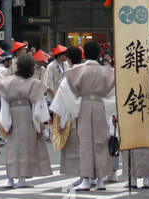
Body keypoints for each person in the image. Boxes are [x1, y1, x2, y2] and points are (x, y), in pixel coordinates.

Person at [50, 40, 116, 191]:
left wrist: (75, 107)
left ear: (84, 54)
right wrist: (107, 108)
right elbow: (113, 95)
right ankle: (100, 180)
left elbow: (65, 90)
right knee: (101, 142)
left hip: (83, 106)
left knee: (85, 142)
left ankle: (86, 179)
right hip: (100, 105)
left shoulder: (76, 72)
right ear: (100, 54)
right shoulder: (108, 72)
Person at [0, 52, 50, 189]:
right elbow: (39, 106)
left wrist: (5, 123)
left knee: (12, 146)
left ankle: (10, 178)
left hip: (12, 113)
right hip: (28, 114)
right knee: (26, 147)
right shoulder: (35, 83)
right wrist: (39, 125)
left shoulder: (7, 82)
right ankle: (22, 178)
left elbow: (4, 104)